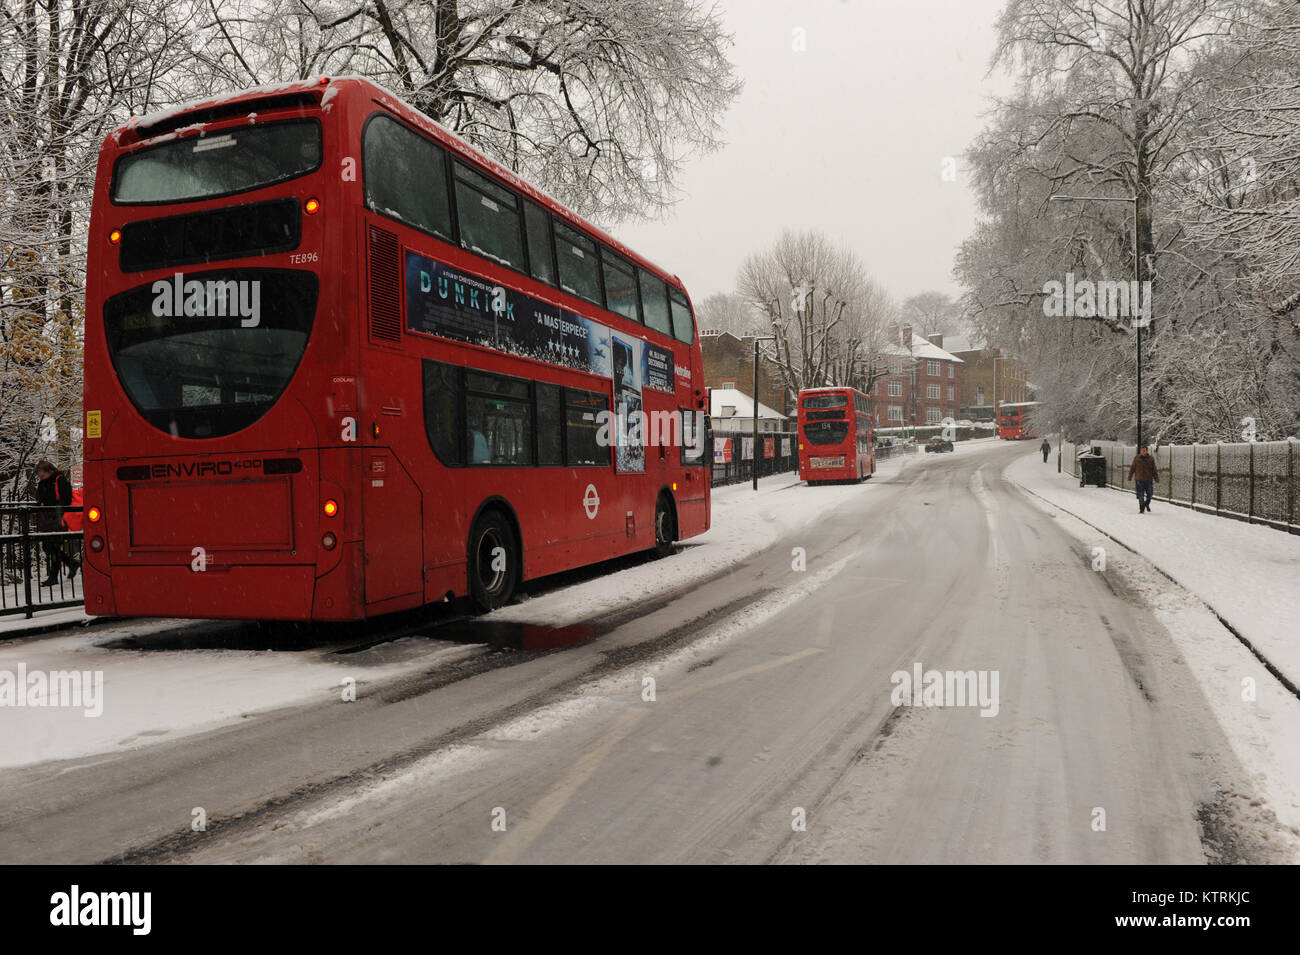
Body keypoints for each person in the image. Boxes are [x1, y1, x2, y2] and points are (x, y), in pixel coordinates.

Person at [33, 460, 78, 585]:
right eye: (39, 476)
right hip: (46, 518)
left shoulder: (60, 480)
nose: (40, 478)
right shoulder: (43, 483)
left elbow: (67, 499)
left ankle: (53, 577)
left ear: (50, 471)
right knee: (48, 546)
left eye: (42, 475)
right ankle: (71, 563)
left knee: (54, 546)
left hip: (58, 517)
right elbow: (39, 498)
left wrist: (56, 507)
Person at [1127, 445, 1159, 514]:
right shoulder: (1136, 458)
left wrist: (1156, 478)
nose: (1143, 452)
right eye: (1142, 450)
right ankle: (1141, 509)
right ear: (1141, 451)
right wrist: (1129, 477)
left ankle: (1146, 504)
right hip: (1139, 480)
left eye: (1145, 450)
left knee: (1150, 494)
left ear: (1147, 451)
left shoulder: (1151, 459)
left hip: (1148, 480)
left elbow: (1154, 470)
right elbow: (1132, 468)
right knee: (1140, 496)